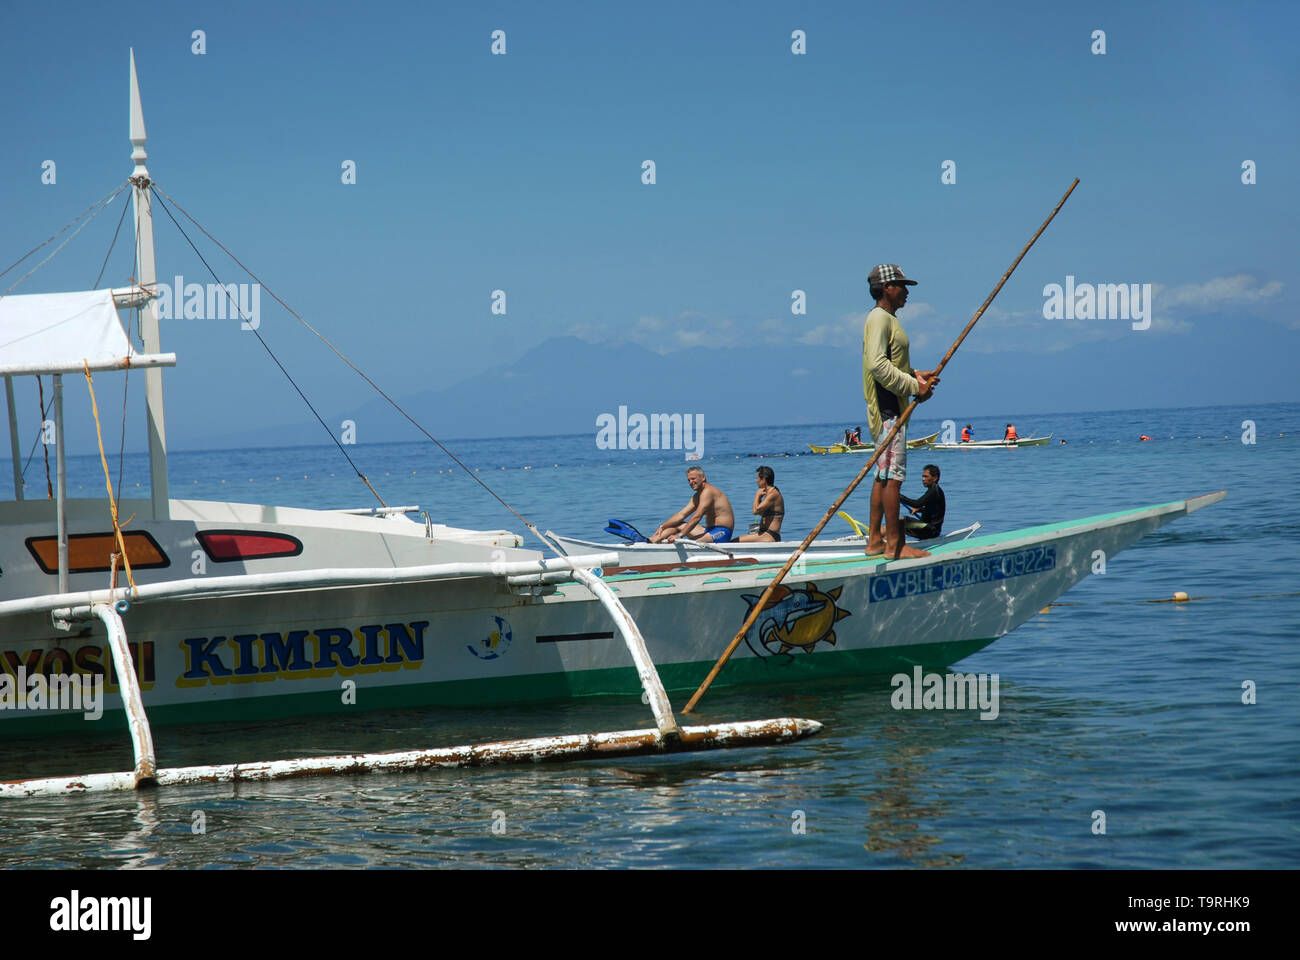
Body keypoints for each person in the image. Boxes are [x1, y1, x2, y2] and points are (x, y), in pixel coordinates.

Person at [862, 263, 939, 559]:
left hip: (889, 408)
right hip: (888, 410)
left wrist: (916, 376)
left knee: (882, 476)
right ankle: (894, 545)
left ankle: (874, 542)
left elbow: (891, 365)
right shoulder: (879, 319)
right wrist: (912, 387)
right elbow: (878, 367)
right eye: (901, 285)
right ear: (886, 289)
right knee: (893, 477)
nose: (906, 291)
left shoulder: (886, 319)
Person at [649, 466, 736, 543]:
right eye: (689, 480)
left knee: (687, 542)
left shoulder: (708, 492)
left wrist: (680, 535)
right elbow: (681, 515)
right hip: (708, 530)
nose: (691, 482)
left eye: (693, 479)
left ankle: (657, 542)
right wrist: (662, 526)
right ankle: (653, 540)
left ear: (703, 478)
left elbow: (697, 517)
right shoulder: (697, 496)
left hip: (722, 532)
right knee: (677, 524)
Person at [738, 465, 785, 542]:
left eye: (757, 478)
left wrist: (757, 495)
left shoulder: (773, 494)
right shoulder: (768, 493)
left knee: (735, 542)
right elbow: (760, 512)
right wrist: (759, 498)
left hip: (770, 535)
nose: (756, 481)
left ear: (763, 479)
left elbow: (755, 511)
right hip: (763, 533)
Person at [899, 464, 945, 540]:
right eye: (922, 476)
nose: (923, 479)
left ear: (935, 478)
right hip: (928, 529)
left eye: (926, 476)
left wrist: (899, 497)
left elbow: (917, 503)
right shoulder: (933, 490)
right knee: (899, 523)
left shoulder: (934, 491)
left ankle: (891, 542)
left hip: (931, 530)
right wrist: (919, 510)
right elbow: (934, 511)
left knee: (903, 521)